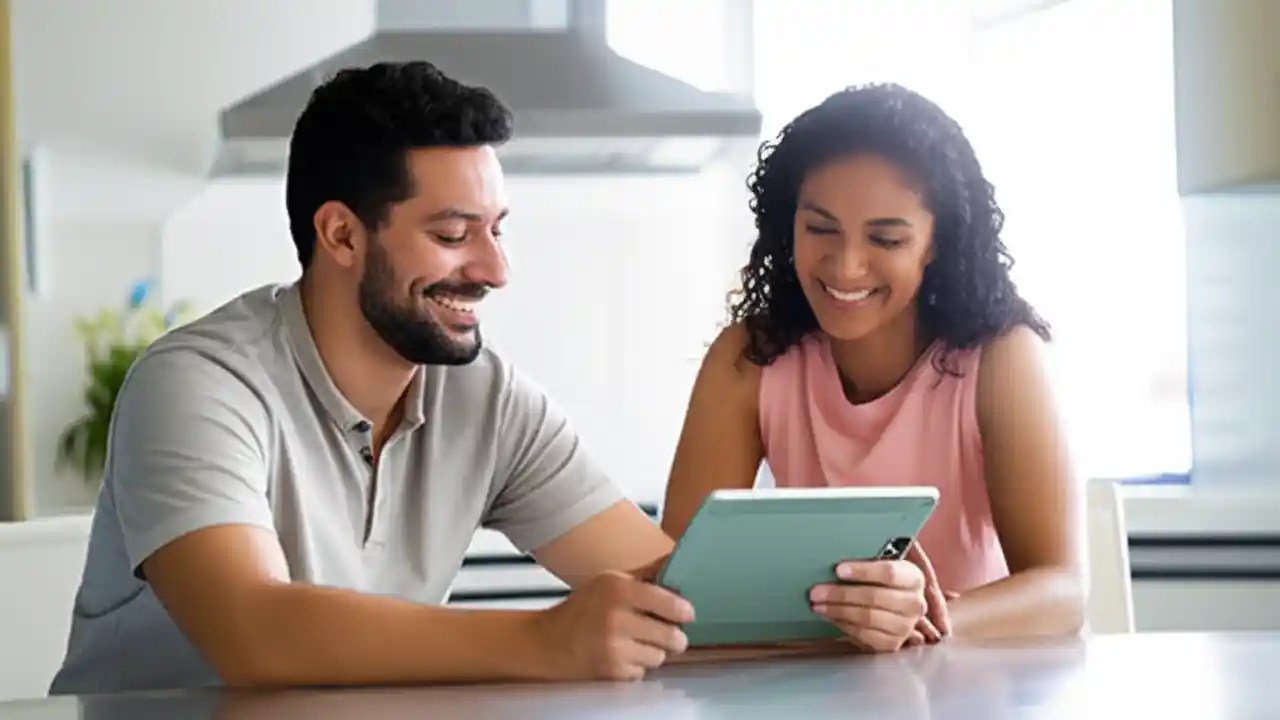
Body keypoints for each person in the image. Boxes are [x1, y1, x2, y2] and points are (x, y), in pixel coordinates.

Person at [49, 61, 693, 695]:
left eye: (496, 230)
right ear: (341, 235)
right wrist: (548, 640)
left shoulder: (489, 400)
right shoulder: (198, 385)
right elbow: (253, 632)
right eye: (452, 233)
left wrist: (788, 602)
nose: (495, 269)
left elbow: (674, 596)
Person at [661, 83, 1086, 652]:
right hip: (811, 683)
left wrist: (922, 620)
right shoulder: (750, 357)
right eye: (820, 229)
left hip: (972, 688)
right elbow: (681, 588)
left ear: (937, 243)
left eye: (885, 237)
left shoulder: (1001, 356)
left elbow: (1063, 592)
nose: (847, 265)